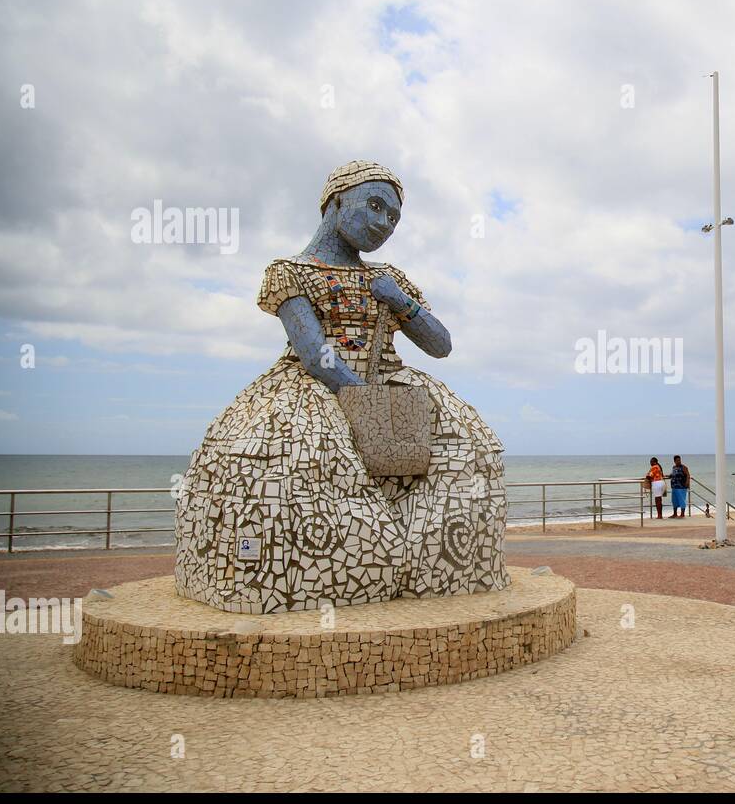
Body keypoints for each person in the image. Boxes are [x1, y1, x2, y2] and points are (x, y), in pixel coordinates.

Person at [175, 161, 507, 611]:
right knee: (293, 468)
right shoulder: (289, 271)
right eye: (374, 206)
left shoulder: (388, 278)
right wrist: (366, 404)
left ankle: (437, 567)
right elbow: (315, 354)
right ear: (334, 203)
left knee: (470, 451)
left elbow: (440, 344)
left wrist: (398, 299)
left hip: (392, 379)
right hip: (315, 390)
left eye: (393, 217)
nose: (383, 224)